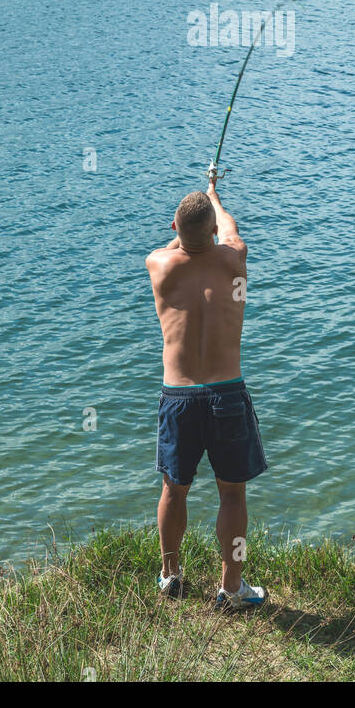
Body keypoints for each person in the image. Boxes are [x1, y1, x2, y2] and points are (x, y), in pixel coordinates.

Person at [145, 175, 267, 610]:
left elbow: (184, 239)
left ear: (174, 229)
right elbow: (230, 231)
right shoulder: (234, 259)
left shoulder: (158, 264)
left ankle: (170, 575)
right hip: (227, 395)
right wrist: (215, 194)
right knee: (231, 494)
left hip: (178, 397)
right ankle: (232, 589)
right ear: (215, 231)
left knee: (173, 490)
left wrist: (193, 219)